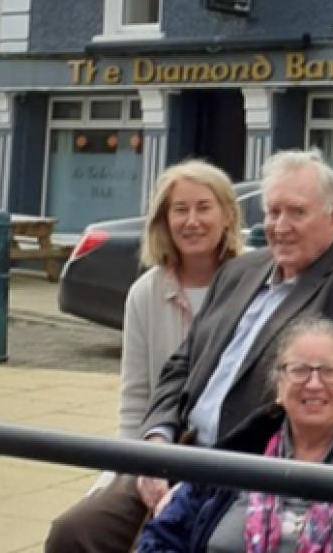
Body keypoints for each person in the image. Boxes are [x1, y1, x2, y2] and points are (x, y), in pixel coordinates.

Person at [46, 149, 333, 552]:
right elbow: (181, 366)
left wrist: (203, 476)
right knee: (75, 533)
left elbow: (312, 398)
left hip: (245, 467)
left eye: (296, 212)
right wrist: (157, 439)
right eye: (273, 211)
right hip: (178, 450)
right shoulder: (241, 271)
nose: (280, 226)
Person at [136, 318, 333, 553]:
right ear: (279, 385)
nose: (314, 384)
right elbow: (161, 538)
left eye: (330, 371)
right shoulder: (234, 456)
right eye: (299, 370)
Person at [80, 160, 244, 505]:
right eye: (180, 210)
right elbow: (135, 397)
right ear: (164, 221)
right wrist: (123, 469)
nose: (192, 221)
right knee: (76, 528)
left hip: (230, 458)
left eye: (204, 208)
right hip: (158, 451)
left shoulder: (254, 285)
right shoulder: (145, 293)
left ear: (228, 215)